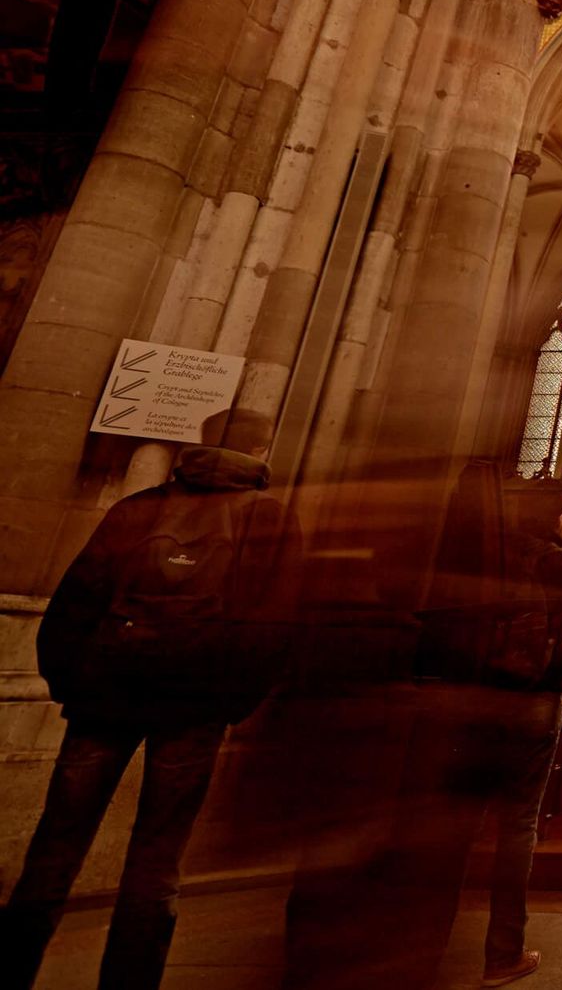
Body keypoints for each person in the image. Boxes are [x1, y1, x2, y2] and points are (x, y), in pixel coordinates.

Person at [0, 409, 301, 990]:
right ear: (263, 449)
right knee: (158, 858)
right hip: (193, 710)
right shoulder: (269, 517)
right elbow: (275, 625)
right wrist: (229, 703)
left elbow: (74, 601)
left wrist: (74, 685)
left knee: (55, 849)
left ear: (200, 442)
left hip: (103, 701)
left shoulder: (139, 508)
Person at [370, 469, 562, 988]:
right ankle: (503, 953)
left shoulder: (474, 554)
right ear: (559, 515)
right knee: (517, 826)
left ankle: (421, 954)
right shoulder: (552, 559)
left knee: (454, 826)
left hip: (465, 697)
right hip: (531, 699)